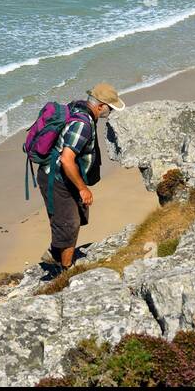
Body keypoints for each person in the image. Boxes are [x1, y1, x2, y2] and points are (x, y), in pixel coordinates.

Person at [37, 82, 125, 274]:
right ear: (100, 105)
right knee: (70, 223)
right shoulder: (83, 125)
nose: (110, 111)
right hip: (56, 177)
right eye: (109, 107)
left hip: (61, 174)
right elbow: (67, 160)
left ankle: (54, 253)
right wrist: (82, 188)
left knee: (78, 216)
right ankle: (65, 271)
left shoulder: (79, 107)